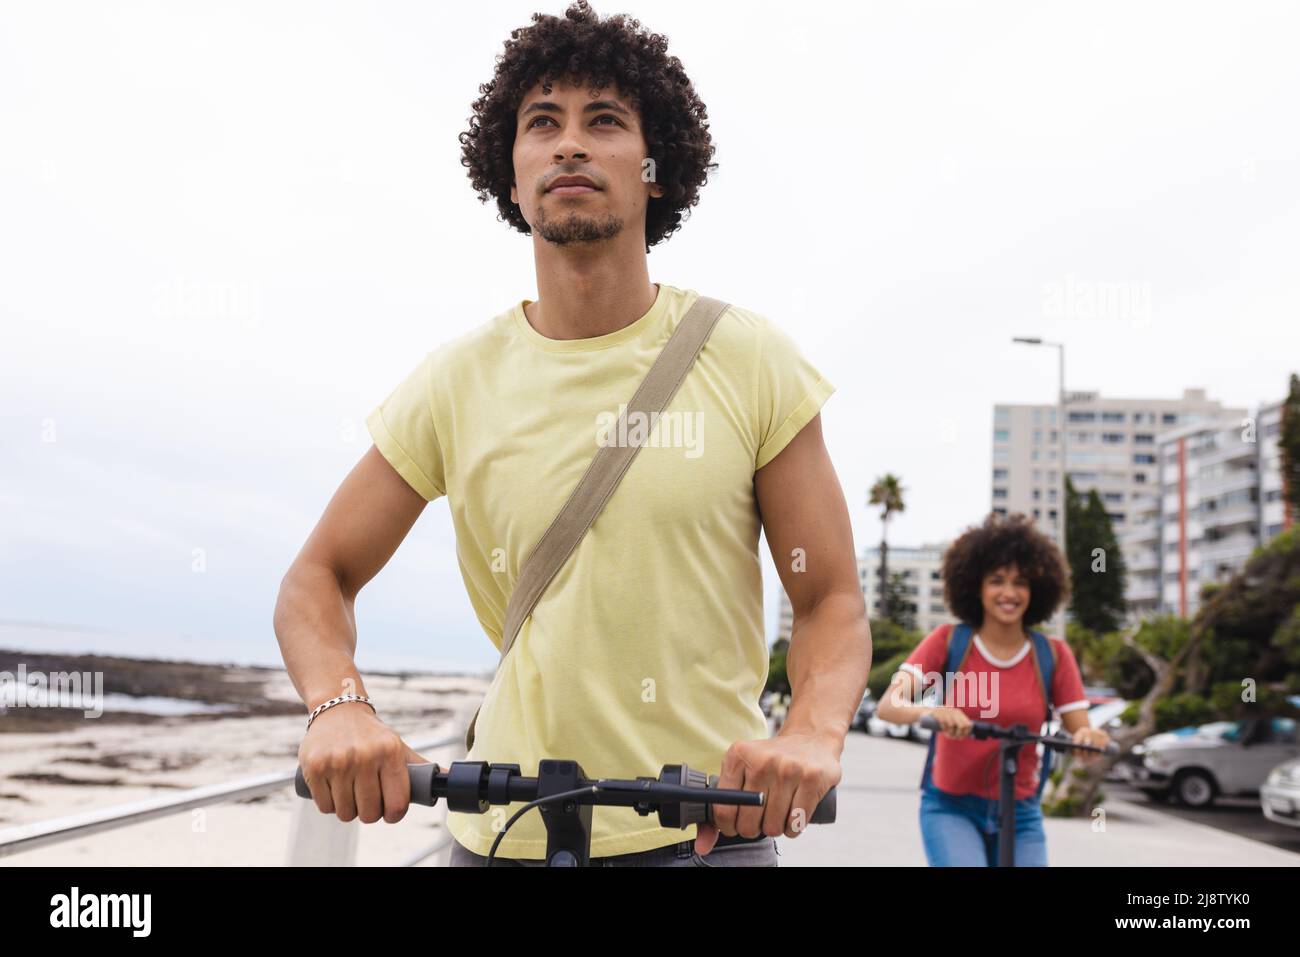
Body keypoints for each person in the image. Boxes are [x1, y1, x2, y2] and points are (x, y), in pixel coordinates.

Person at [273, 1, 871, 868]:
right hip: (497, 832)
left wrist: (814, 732)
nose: (569, 143)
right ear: (511, 176)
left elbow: (831, 598)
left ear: (655, 166)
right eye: (542, 122)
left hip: (705, 834)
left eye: (606, 121)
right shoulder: (456, 379)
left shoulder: (751, 360)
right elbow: (315, 579)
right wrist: (342, 708)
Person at [874, 512, 1110, 866]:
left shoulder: (1053, 655)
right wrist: (932, 711)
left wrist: (1091, 740)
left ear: (1037, 590)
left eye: (1021, 582)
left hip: (1021, 811)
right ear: (976, 586)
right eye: (997, 580)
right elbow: (888, 706)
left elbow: (1081, 731)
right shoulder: (949, 641)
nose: (1010, 593)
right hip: (951, 807)